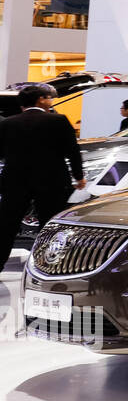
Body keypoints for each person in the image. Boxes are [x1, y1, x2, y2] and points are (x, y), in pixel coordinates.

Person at [0, 84, 85, 265]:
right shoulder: (59, 120)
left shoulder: (7, 123)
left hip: (15, 181)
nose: (51, 100)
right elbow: (73, 151)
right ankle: (48, 265)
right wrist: (79, 176)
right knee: (50, 225)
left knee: (7, 226)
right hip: (51, 181)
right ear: (41, 100)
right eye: (48, 97)